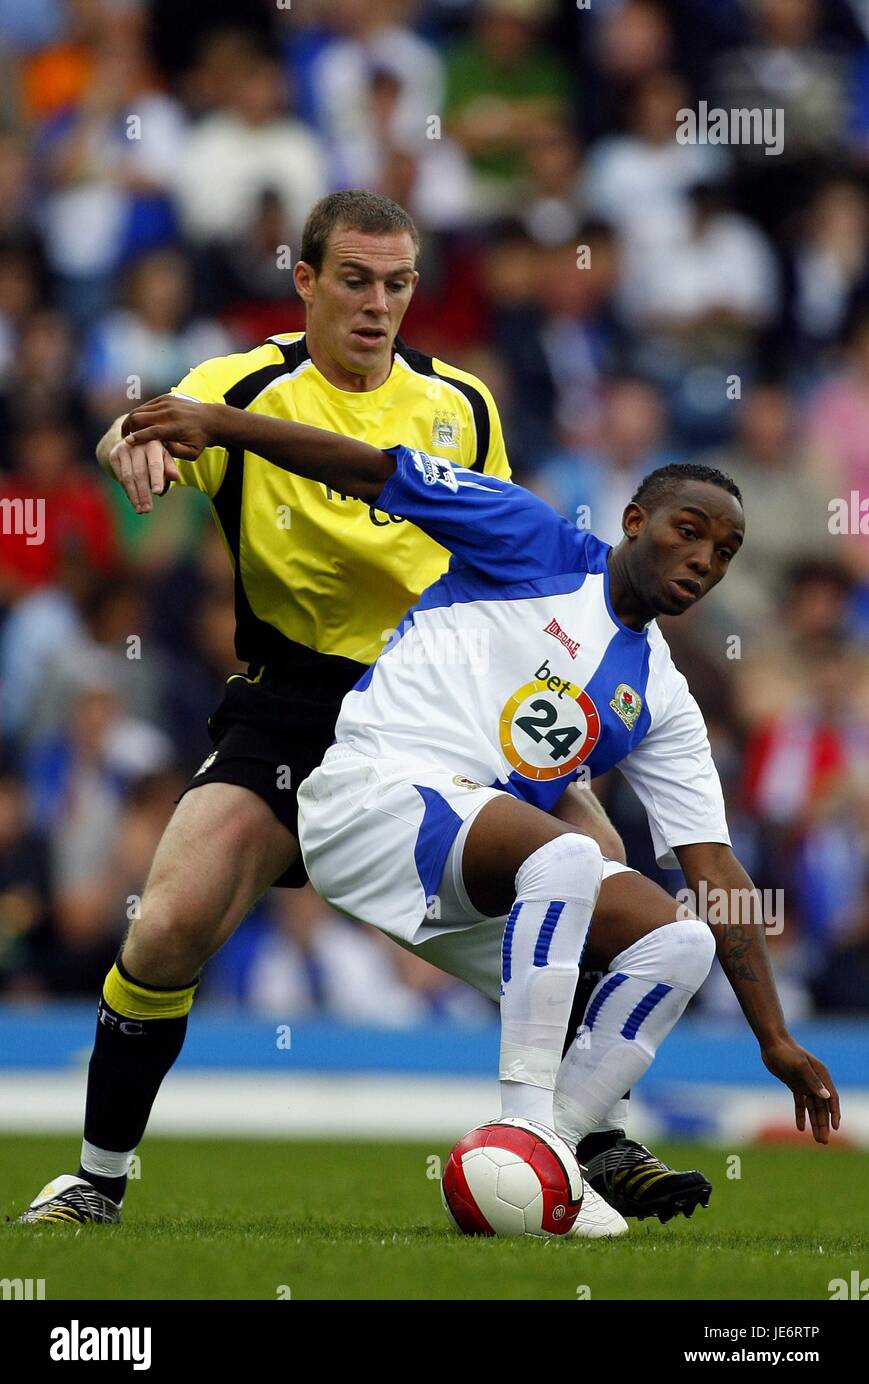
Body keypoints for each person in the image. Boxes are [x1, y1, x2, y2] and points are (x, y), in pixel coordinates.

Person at [18, 190, 628, 1236]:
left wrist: (551, 747)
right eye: (353, 279)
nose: (376, 304)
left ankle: (594, 1143)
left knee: (604, 888)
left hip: (437, 711)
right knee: (165, 926)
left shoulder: (463, 405)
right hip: (292, 708)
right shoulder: (244, 384)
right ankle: (95, 1179)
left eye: (396, 284)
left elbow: (510, 574)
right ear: (304, 281)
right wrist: (134, 439)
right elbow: (147, 417)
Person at [95, 399, 841, 1229]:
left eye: (724, 552)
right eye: (688, 530)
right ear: (634, 520)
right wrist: (221, 426)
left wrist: (772, 1036)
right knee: (564, 855)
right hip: (370, 795)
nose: (703, 559)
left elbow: (714, 868)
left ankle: (543, 1150)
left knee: (681, 940)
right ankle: (523, 1126)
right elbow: (373, 470)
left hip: (467, 868)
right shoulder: (533, 540)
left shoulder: (660, 695)